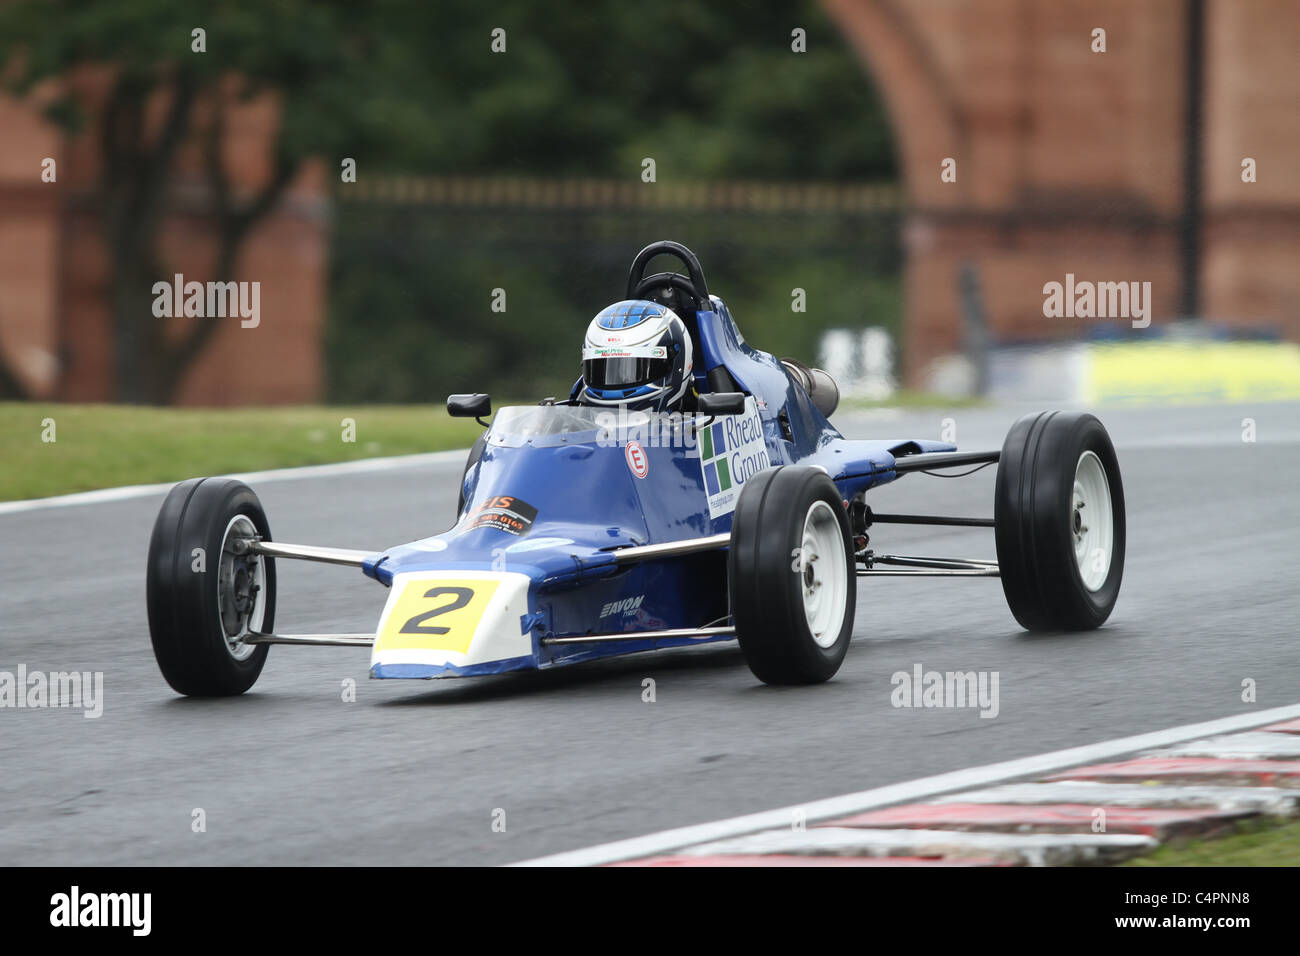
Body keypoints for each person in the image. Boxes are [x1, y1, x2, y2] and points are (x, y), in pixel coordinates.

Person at [576, 299, 696, 412]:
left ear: (675, 364)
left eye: (633, 368)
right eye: (601, 368)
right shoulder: (572, 424)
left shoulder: (707, 426)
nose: (614, 389)